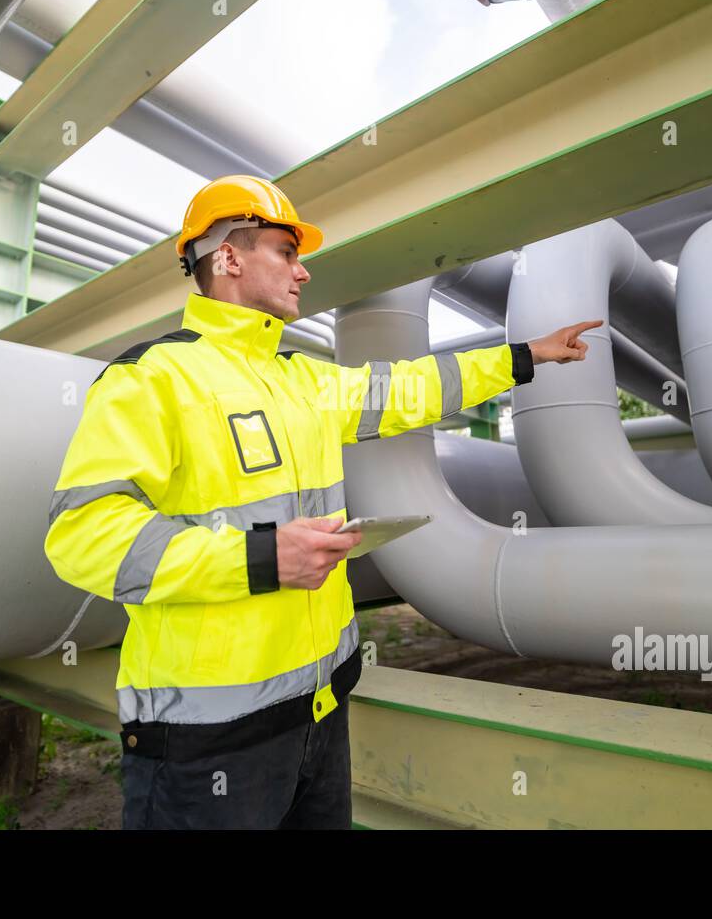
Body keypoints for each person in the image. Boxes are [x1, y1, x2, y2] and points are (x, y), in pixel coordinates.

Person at [43, 174, 601, 829]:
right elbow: (82, 536)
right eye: (286, 251)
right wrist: (259, 559)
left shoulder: (301, 380)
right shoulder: (152, 380)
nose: (303, 273)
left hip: (319, 713)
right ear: (228, 258)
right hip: (206, 741)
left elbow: (411, 390)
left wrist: (524, 357)